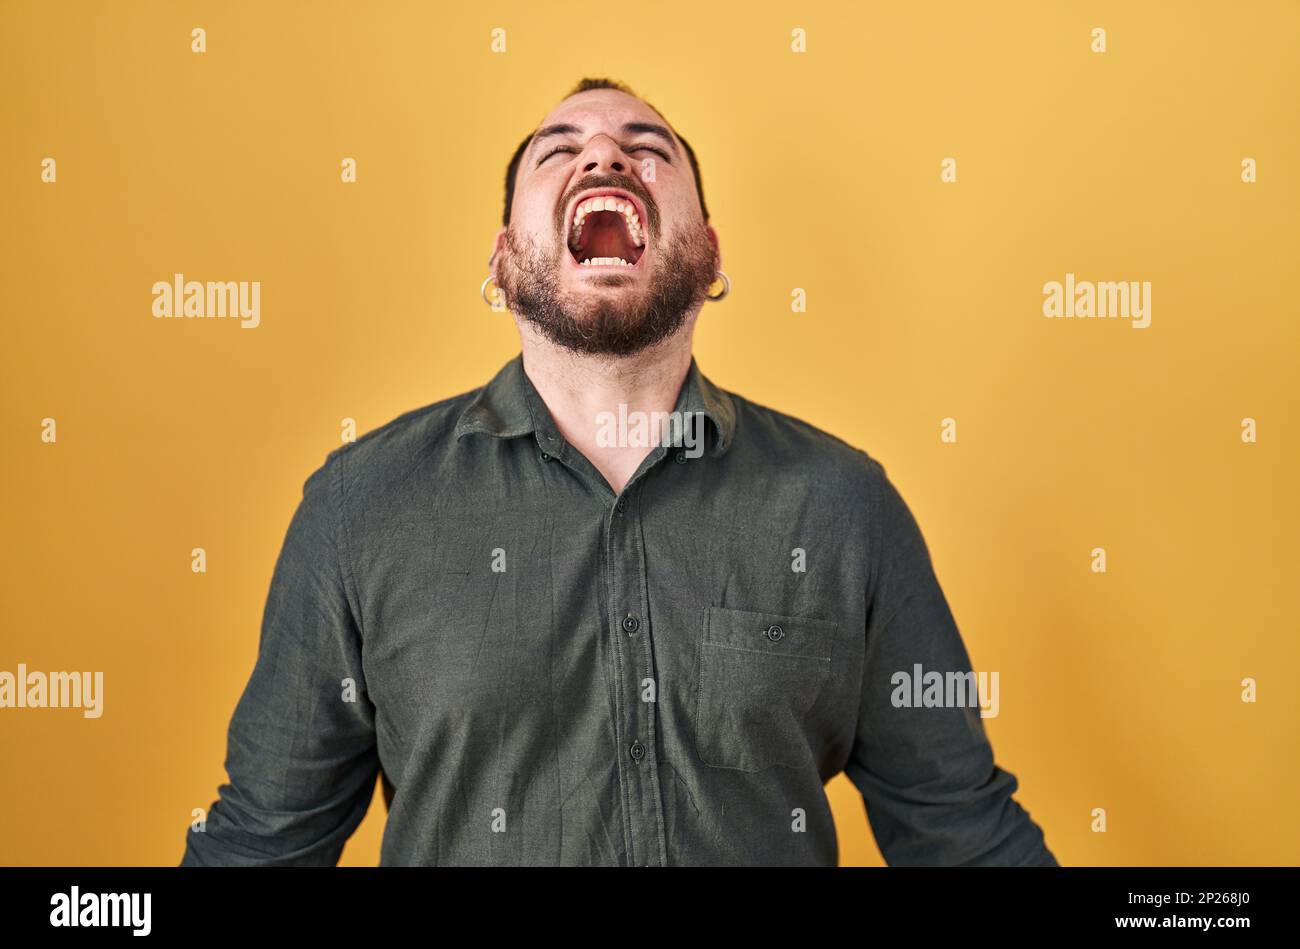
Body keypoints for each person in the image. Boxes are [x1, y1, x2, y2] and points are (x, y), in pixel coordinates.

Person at [182, 77, 1057, 866]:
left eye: (648, 150)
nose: (604, 155)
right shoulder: (358, 507)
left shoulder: (844, 507)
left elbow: (964, 836)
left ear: (709, 255)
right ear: (501, 262)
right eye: (559, 151)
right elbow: (261, 848)